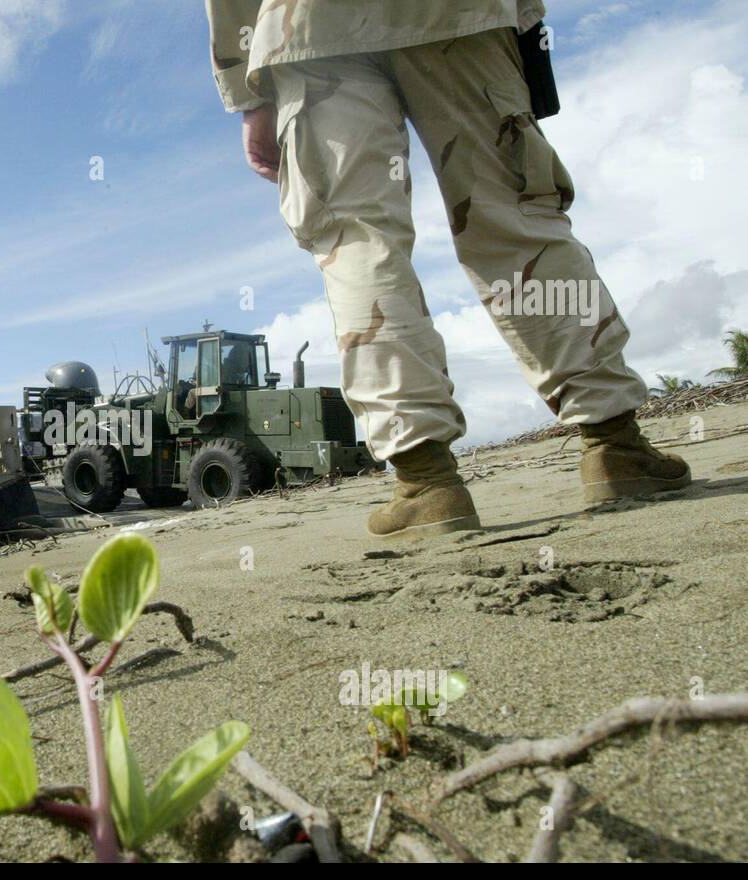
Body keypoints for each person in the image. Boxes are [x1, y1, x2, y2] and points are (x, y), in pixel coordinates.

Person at [205, 1, 691, 540]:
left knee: (356, 239)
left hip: (308, 27)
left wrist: (247, 92)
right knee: (516, 215)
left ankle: (426, 481)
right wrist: (525, 19)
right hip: (458, 13)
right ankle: (615, 445)